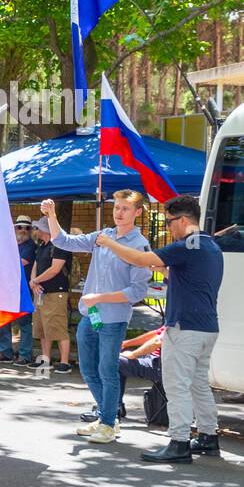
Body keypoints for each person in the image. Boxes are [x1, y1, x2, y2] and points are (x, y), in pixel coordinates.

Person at [95, 195, 224, 462]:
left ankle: (179, 443)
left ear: (184, 220)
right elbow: (181, 275)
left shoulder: (186, 245)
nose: (168, 228)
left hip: (184, 328)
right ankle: (209, 438)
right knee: (199, 385)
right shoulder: (209, 246)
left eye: (169, 222)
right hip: (207, 328)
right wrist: (161, 267)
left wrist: (108, 242)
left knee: (176, 385)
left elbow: (142, 260)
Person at [42, 191, 152, 444]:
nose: (118, 212)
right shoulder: (104, 236)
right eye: (116, 207)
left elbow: (137, 291)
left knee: (107, 370)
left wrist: (100, 298)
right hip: (90, 315)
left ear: (137, 212)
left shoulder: (139, 245)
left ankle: (107, 423)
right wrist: (52, 215)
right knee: (89, 369)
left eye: (125, 208)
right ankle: (108, 418)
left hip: (113, 317)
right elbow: (63, 241)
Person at [28, 216, 72, 372]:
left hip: (56, 293)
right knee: (42, 327)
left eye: (39, 228)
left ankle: (64, 362)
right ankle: (45, 360)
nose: (36, 230)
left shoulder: (60, 245)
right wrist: (33, 282)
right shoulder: (42, 246)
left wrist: (35, 281)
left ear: (46, 229)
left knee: (58, 327)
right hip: (41, 293)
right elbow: (36, 264)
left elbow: (55, 269)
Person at [0, 216, 38, 364]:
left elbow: (19, 263)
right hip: (7, 288)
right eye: (20, 227)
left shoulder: (31, 246)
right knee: (3, 322)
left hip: (23, 290)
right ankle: (5, 352)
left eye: (27, 227)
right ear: (15, 228)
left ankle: (25, 355)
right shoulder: (11, 245)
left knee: (25, 324)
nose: (23, 230)